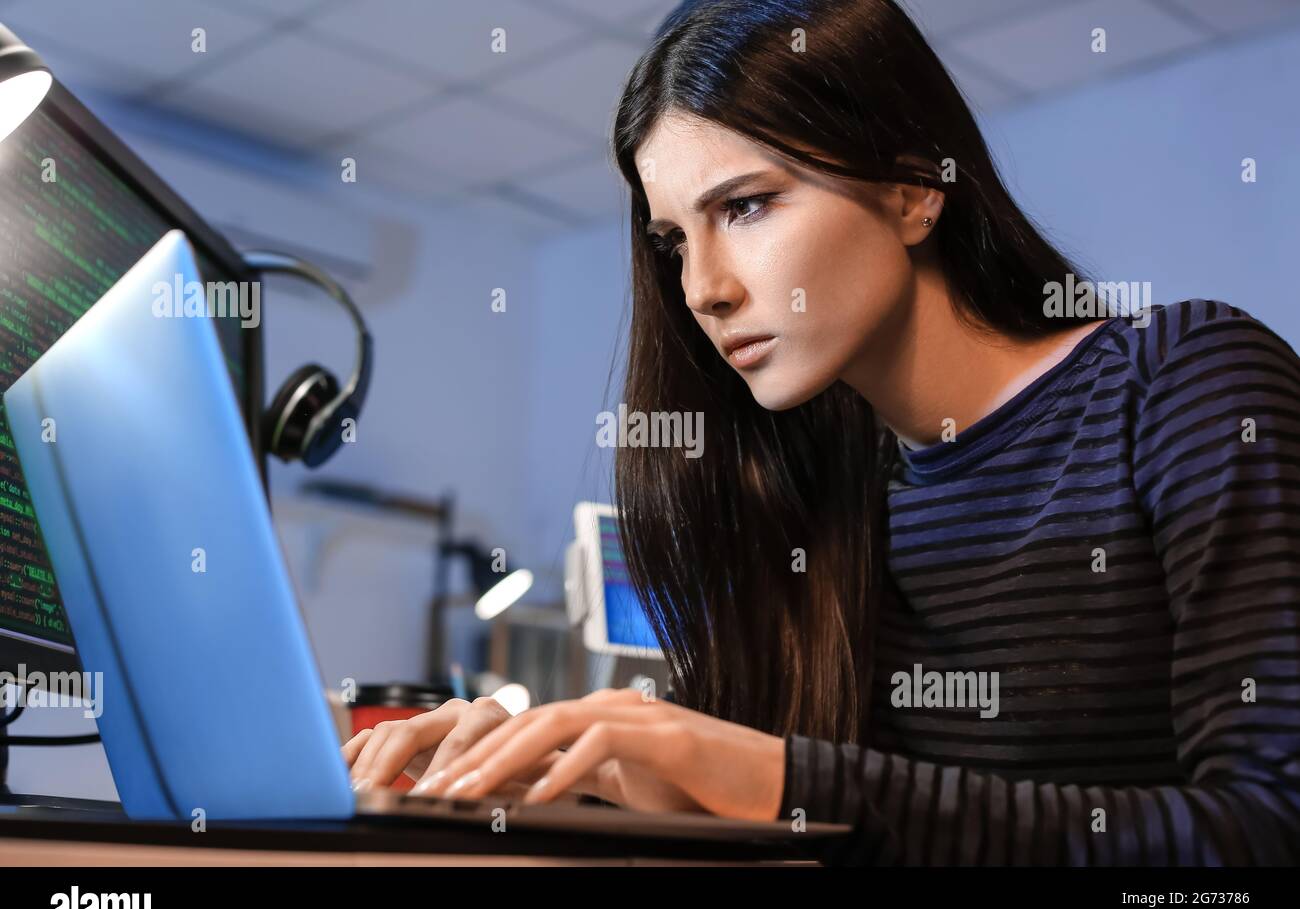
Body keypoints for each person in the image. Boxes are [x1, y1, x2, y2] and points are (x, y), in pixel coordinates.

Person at [343, 0, 1300, 865]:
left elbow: (1264, 837)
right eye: (675, 241)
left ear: (913, 189)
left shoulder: (1181, 380)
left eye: (746, 206)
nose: (703, 289)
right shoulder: (809, 488)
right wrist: (564, 764)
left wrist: (784, 783)